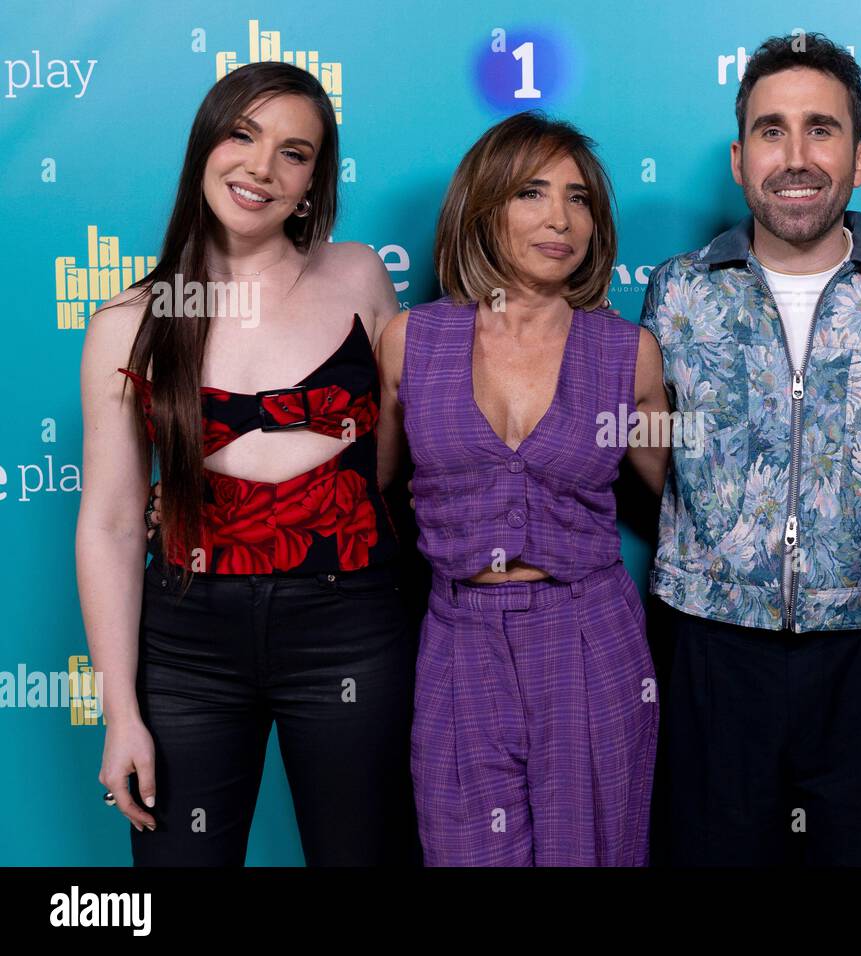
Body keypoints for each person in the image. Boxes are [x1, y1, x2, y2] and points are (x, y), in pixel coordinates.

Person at [638, 33, 861, 866]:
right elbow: (646, 443)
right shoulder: (677, 292)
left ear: (860, 158)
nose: (796, 156)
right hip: (709, 646)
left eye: (820, 130)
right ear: (739, 156)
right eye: (771, 130)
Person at [76, 61, 419, 865]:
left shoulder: (360, 275)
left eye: (294, 153)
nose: (262, 167)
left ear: (313, 182)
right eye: (243, 134)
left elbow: (394, 464)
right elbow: (115, 523)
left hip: (350, 630)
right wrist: (121, 712)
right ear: (206, 145)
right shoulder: (129, 323)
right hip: (188, 644)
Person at [375, 110, 671, 866]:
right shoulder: (411, 340)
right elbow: (371, 490)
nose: (560, 218)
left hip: (587, 635)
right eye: (532, 193)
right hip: (457, 636)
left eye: (579, 199)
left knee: (594, 849)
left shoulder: (627, 354)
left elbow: (685, 500)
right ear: (484, 207)